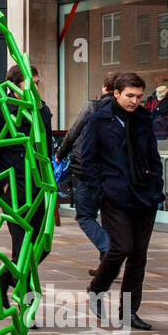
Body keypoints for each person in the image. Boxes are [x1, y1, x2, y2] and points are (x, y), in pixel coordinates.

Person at [79, 71, 165, 331]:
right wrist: (100, 190)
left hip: (144, 195)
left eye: (139, 96)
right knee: (121, 247)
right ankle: (97, 288)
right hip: (115, 195)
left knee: (139, 256)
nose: (134, 101)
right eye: (129, 95)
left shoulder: (143, 119)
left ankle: (128, 313)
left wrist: (156, 183)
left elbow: (153, 155)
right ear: (116, 93)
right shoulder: (98, 120)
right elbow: (88, 160)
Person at [0, 65, 53, 310]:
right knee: (23, 250)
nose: (35, 87)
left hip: (40, 188)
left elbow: (47, 148)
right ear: (14, 85)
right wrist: (1, 184)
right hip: (15, 189)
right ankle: (27, 309)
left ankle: (2, 278)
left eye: (37, 82)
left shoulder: (42, 110)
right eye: (30, 82)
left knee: (42, 247)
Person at [56, 71, 117, 265]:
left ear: (104, 88)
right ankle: (106, 266)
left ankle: (109, 249)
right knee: (108, 218)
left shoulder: (93, 106)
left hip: (85, 170)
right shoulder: (125, 112)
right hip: (112, 173)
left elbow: (73, 132)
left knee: (84, 216)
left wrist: (60, 154)